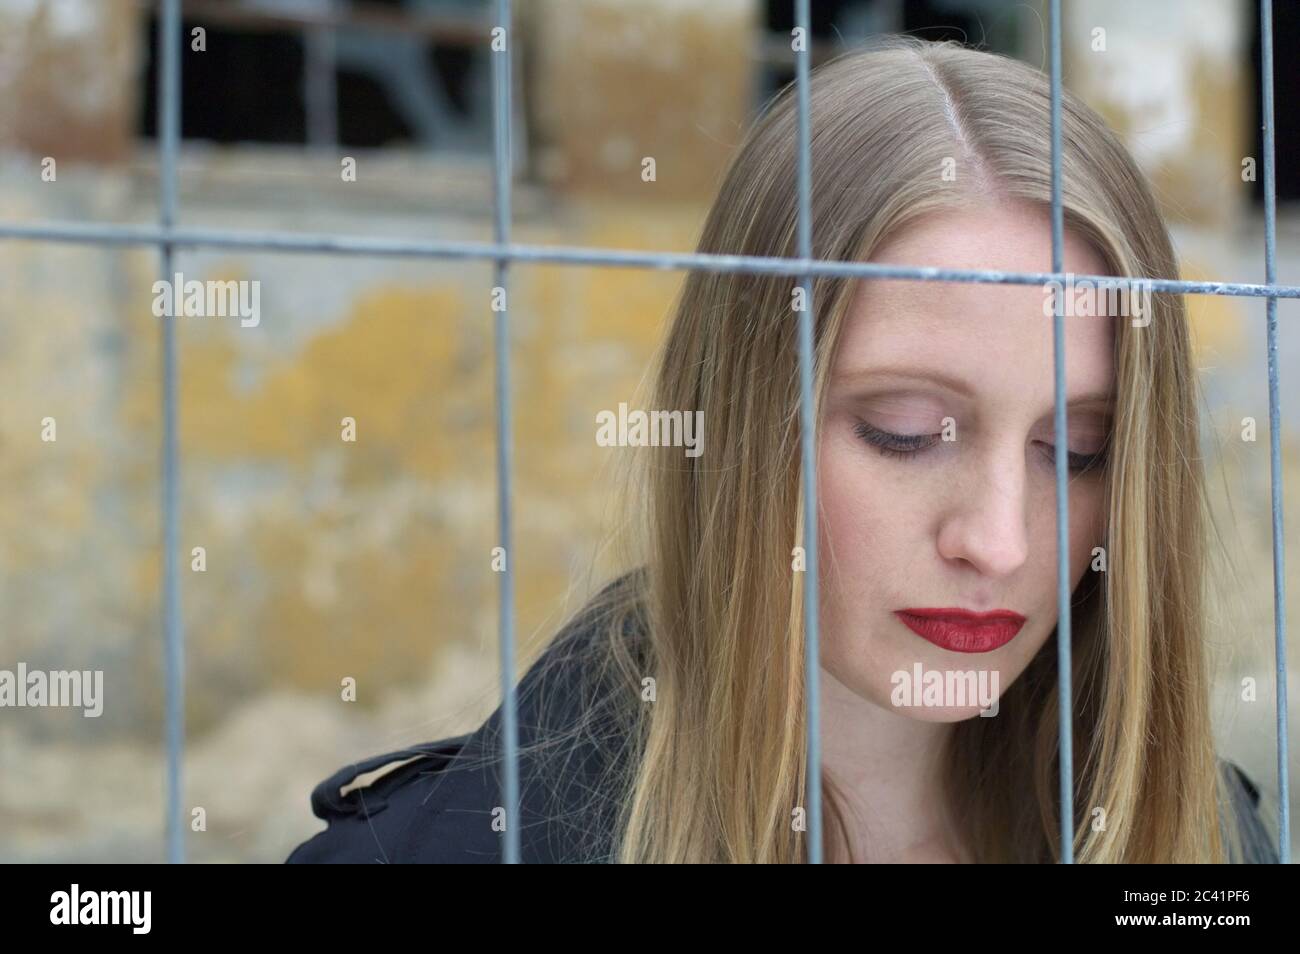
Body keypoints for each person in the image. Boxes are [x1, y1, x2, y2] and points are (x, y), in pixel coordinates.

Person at [287, 36, 1279, 864]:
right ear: (739, 417)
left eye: (1076, 449)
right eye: (902, 432)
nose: (1000, 542)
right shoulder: (438, 851)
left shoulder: (1210, 846)